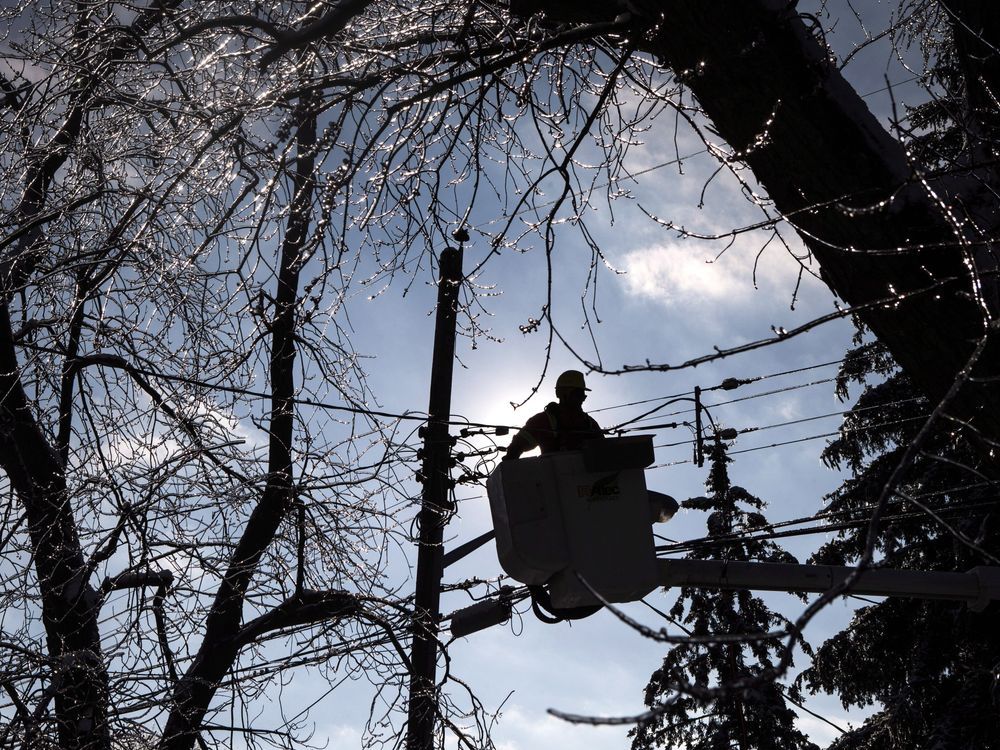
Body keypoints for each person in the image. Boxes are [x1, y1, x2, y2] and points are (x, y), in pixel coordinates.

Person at [504, 369, 605, 460]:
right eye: (578, 394)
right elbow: (517, 445)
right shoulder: (543, 420)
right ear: (563, 394)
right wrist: (511, 459)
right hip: (555, 473)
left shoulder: (590, 424)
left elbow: (606, 450)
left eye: (583, 396)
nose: (582, 399)